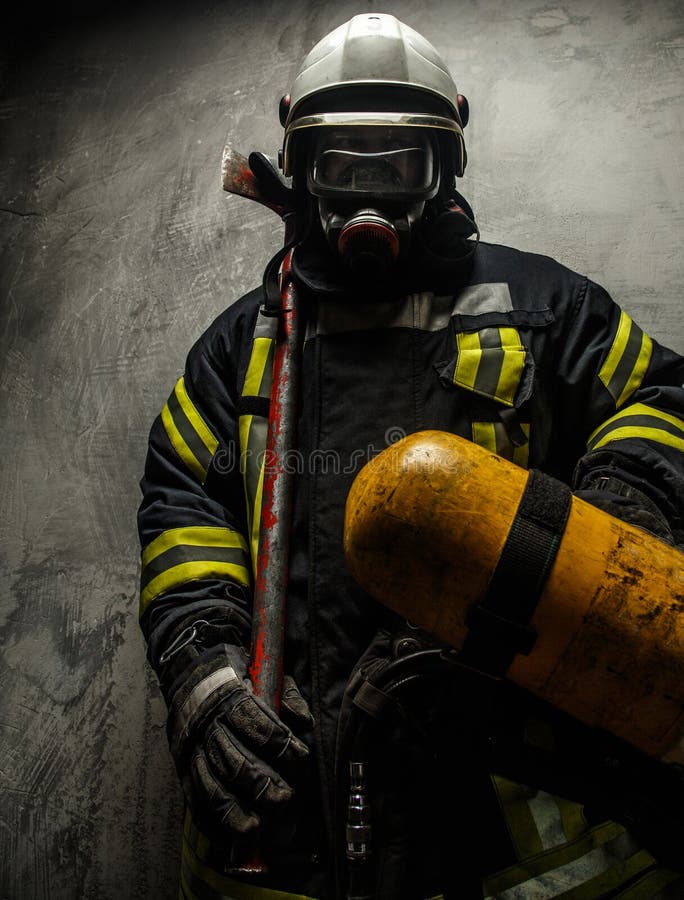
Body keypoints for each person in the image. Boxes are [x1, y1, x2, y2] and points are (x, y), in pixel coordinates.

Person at [137, 14, 684, 900]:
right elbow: (181, 504)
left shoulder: (546, 308)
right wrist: (202, 668)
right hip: (290, 838)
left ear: (447, 161)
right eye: (339, 166)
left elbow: (665, 398)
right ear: (298, 163)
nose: (369, 200)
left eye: (397, 167)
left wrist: (619, 510)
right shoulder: (244, 347)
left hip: (512, 819)